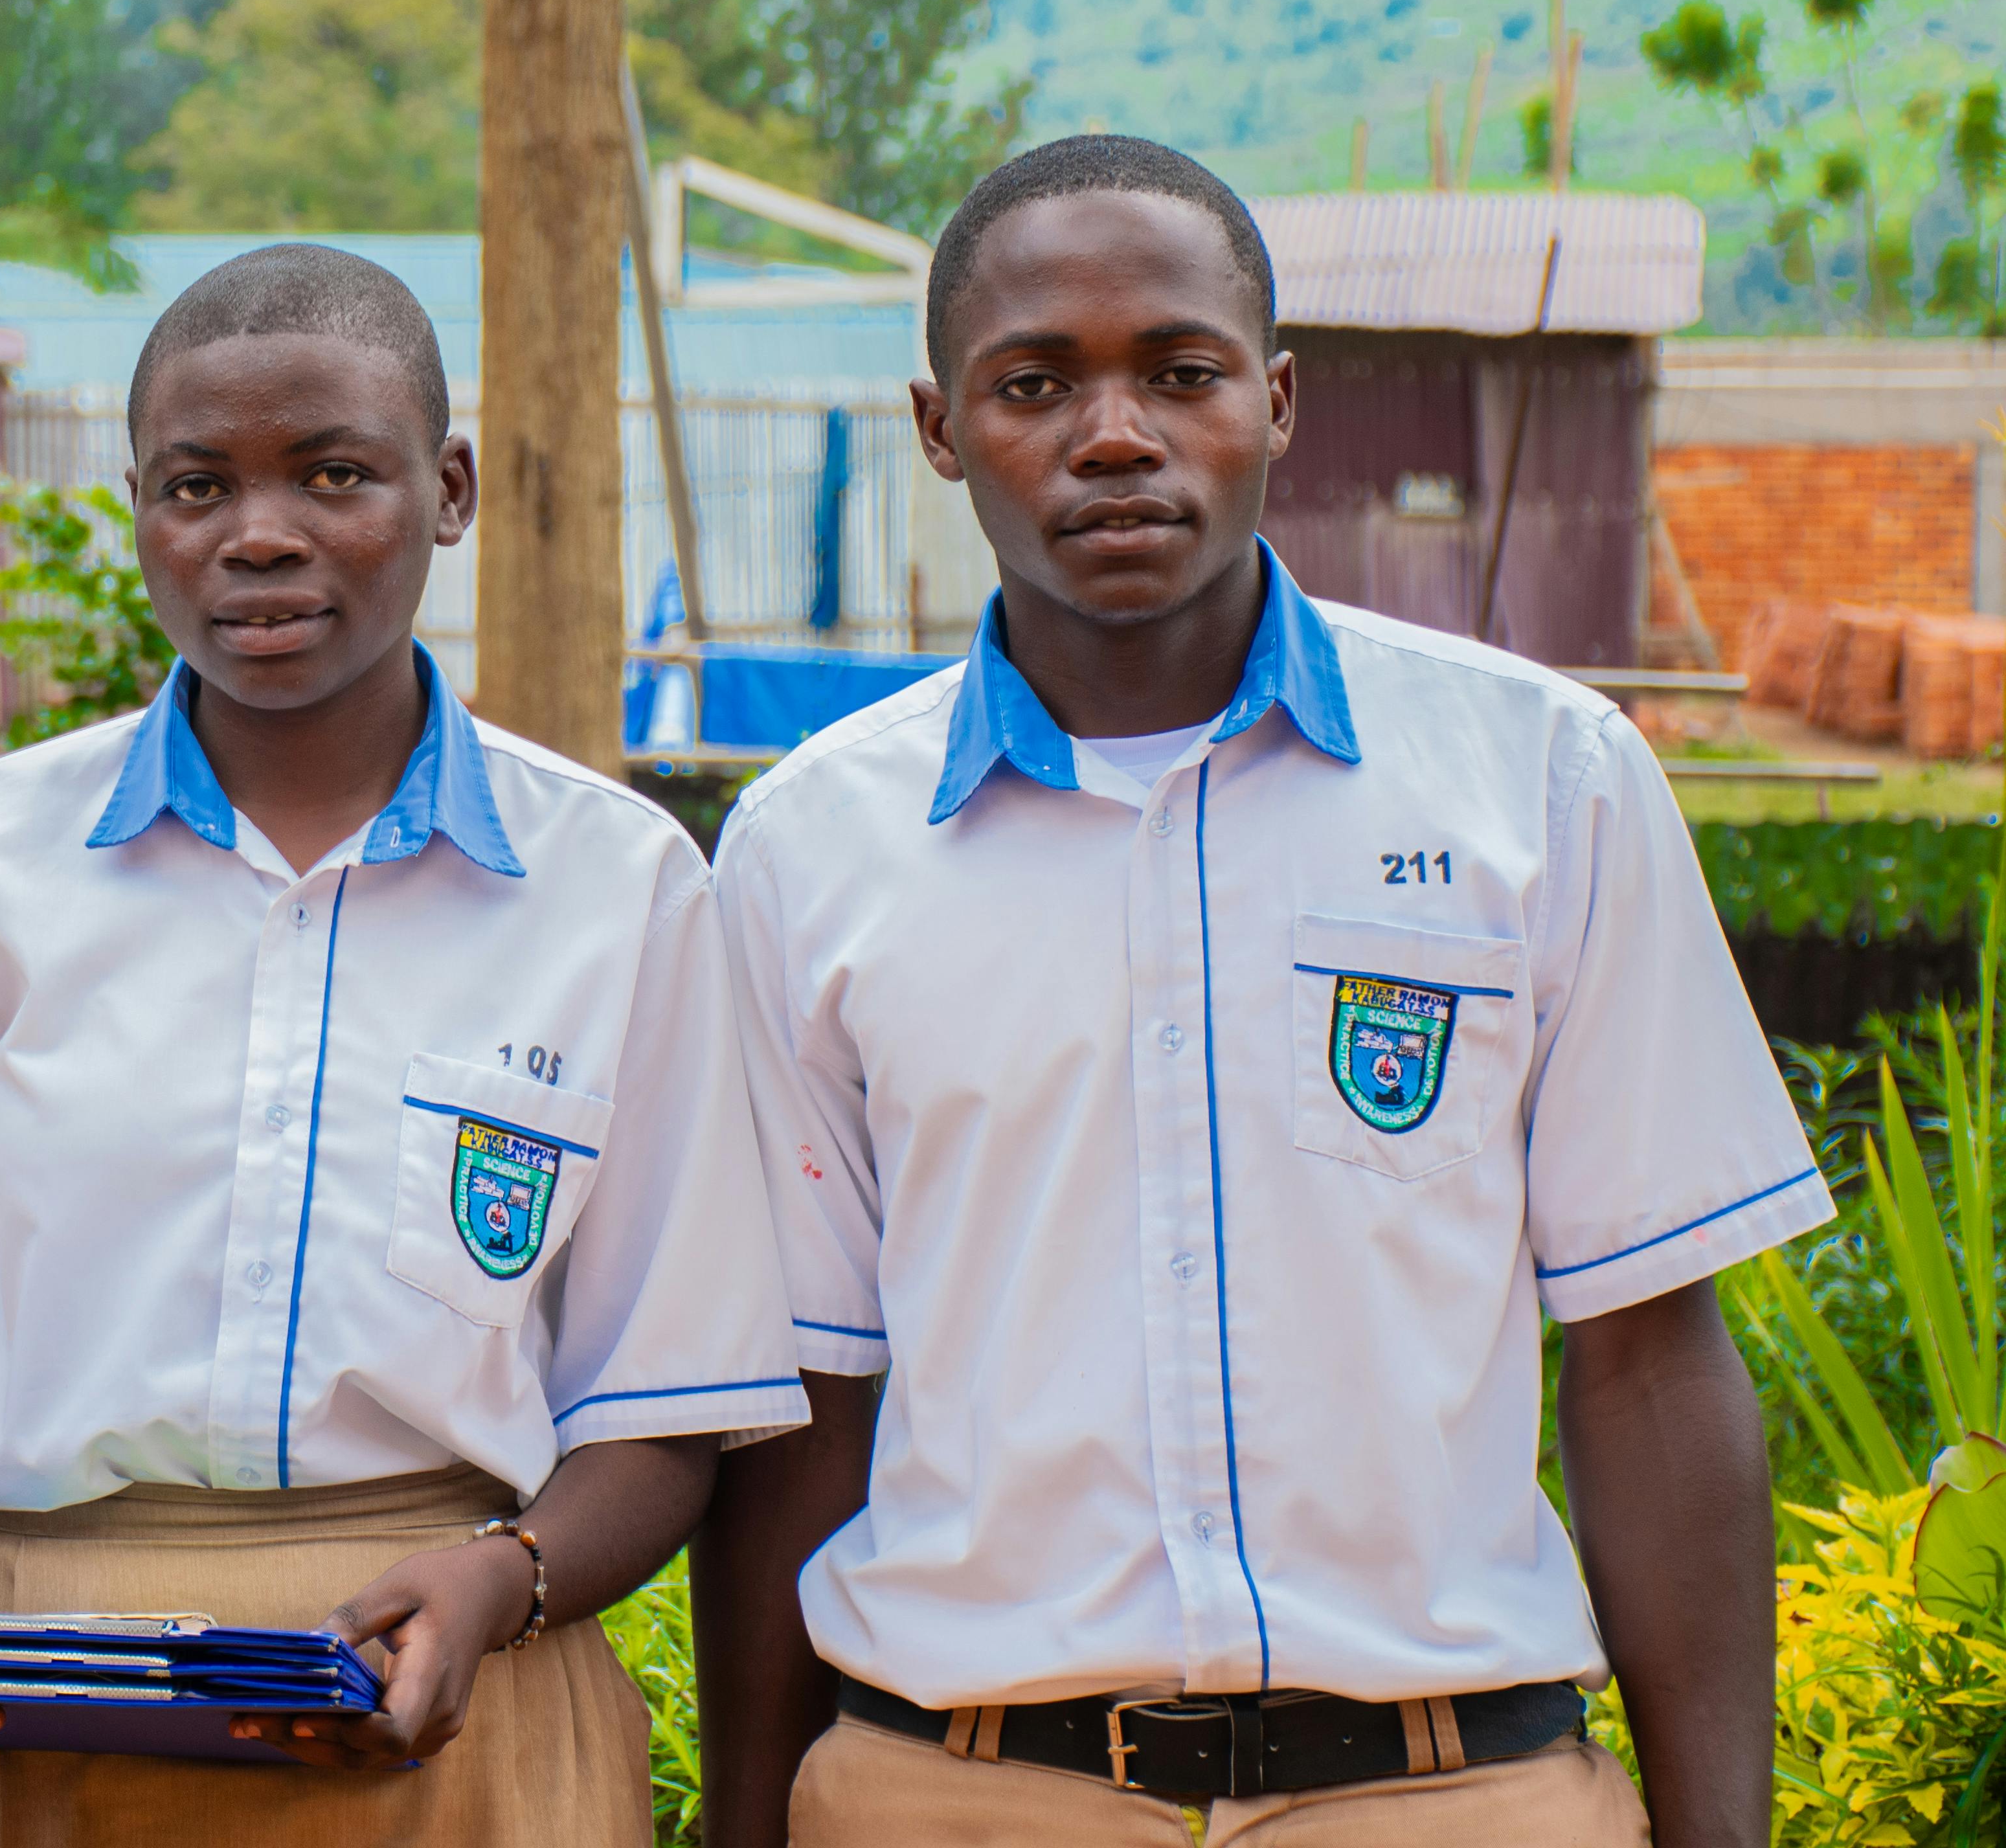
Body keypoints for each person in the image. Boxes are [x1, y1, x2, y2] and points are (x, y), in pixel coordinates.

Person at [696, 135, 1829, 1847]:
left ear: (1278, 400)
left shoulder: (1544, 784)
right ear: (940, 428)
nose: (1116, 433)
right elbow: (807, 1399)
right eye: (1034, 382)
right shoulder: (803, 853)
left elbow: (1651, 1360)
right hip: (958, 1797)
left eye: (1181, 371)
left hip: (1462, 1795)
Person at [0, 243, 806, 1847]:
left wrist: (508, 1573)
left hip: (452, 1701)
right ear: (138, 505)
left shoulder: (618, 887)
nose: (260, 534)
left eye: (335, 473)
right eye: (197, 484)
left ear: (450, 488)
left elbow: (668, 1392)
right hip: (33, 1683)